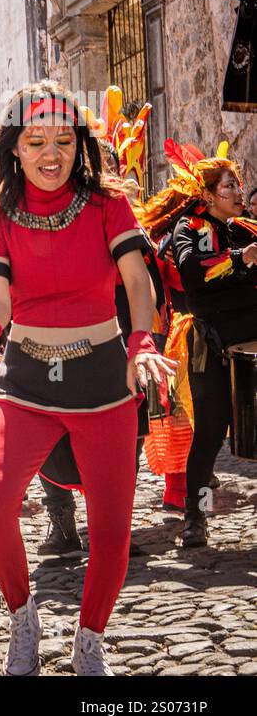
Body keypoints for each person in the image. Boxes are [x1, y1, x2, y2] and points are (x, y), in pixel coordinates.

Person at [0, 81, 174, 676]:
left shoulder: (107, 204)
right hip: (27, 383)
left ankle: (90, 637)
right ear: (15, 149)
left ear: (78, 145)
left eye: (64, 141)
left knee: (112, 527)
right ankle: (23, 618)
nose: (52, 154)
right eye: (37, 141)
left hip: (103, 383)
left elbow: (136, 282)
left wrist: (143, 341)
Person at [138, 142, 257, 548]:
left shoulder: (246, 228)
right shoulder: (189, 230)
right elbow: (192, 276)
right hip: (211, 345)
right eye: (229, 186)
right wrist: (240, 261)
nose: (239, 192)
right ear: (207, 195)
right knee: (208, 434)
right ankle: (196, 517)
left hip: (252, 347)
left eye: (239, 184)